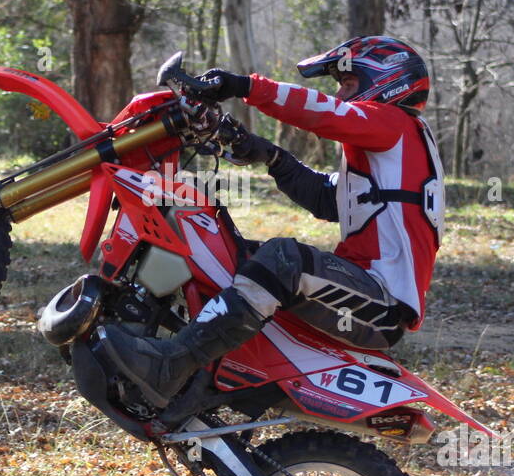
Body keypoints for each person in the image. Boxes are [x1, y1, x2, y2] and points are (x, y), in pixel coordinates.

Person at [99, 35, 446, 427]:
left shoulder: (397, 126)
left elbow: (326, 114)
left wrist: (243, 86)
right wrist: (270, 155)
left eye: (347, 83)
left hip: (380, 305)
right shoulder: (394, 155)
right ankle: (190, 378)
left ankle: (172, 364)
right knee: (233, 257)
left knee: (283, 260)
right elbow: (325, 197)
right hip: (365, 294)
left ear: (385, 80)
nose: (339, 93)